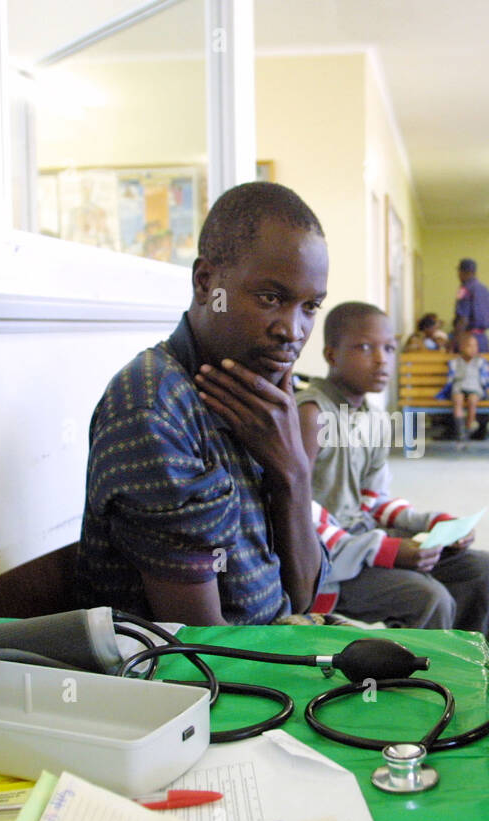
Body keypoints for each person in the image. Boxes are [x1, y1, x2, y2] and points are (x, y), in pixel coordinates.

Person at [78, 182, 329, 626]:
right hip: (209, 679)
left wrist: (292, 472)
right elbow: (203, 654)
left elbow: (305, 597)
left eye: (309, 306)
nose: (293, 330)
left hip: (278, 641)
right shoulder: (153, 408)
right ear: (205, 283)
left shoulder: (265, 396)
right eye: (271, 298)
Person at [297, 303, 489, 653]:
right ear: (331, 354)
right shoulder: (312, 413)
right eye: (365, 347)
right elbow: (296, 508)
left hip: (364, 542)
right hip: (326, 565)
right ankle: (431, 693)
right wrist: (384, 550)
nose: (382, 360)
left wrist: (429, 523)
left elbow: (374, 499)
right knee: (429, 599)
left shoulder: (375, 418)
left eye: (389, 349)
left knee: (484, 570)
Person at [438, 331, 489, 439]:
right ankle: (460, 430)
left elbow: (485, 379)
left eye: (475, 346)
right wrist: (444, 393)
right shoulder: (454, 362)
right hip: (459, 387)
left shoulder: (481, 362)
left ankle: (469, 426)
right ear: (461, 348)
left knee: (472, 400)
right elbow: (451, 379)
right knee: (457, 399)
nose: (473, 349)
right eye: (469, 346)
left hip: (475, 388)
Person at [454, 257, 489, 346]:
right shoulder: (485, 290)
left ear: (462, 272)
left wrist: (454, 342)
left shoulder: (465, 289)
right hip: (483, 339)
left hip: (469, 340)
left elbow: (463, 319)